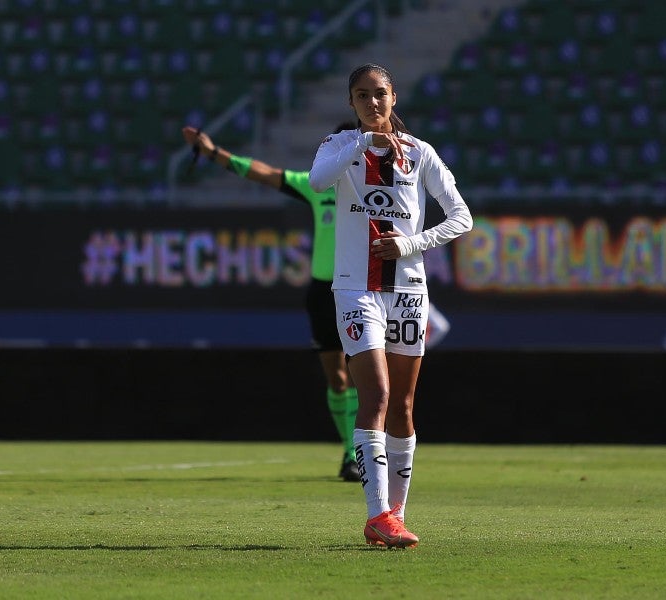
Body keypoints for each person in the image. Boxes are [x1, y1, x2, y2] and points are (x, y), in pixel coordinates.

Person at [180, 122, 452, 484]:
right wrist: (214, 153)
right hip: (325, 291)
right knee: (338, 379)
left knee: (367, 382)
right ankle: (349, 451)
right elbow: (266, 173)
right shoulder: (320, 186)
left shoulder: (379, 182)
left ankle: (359, 458)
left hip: (366, 286)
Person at [309, 63, 472, 548]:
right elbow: (318, 182)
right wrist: (362, 142)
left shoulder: (420, 154)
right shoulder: (337, 147)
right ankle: (376, 513)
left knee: (402, 404)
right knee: (375, 395)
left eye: (379, 94)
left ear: (394, 97)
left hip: (408, 291)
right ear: (352, 104)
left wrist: (411, 244)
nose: (372, 103)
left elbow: (462, 217)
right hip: (355, 290)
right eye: (362, 96)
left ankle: (394, 513)